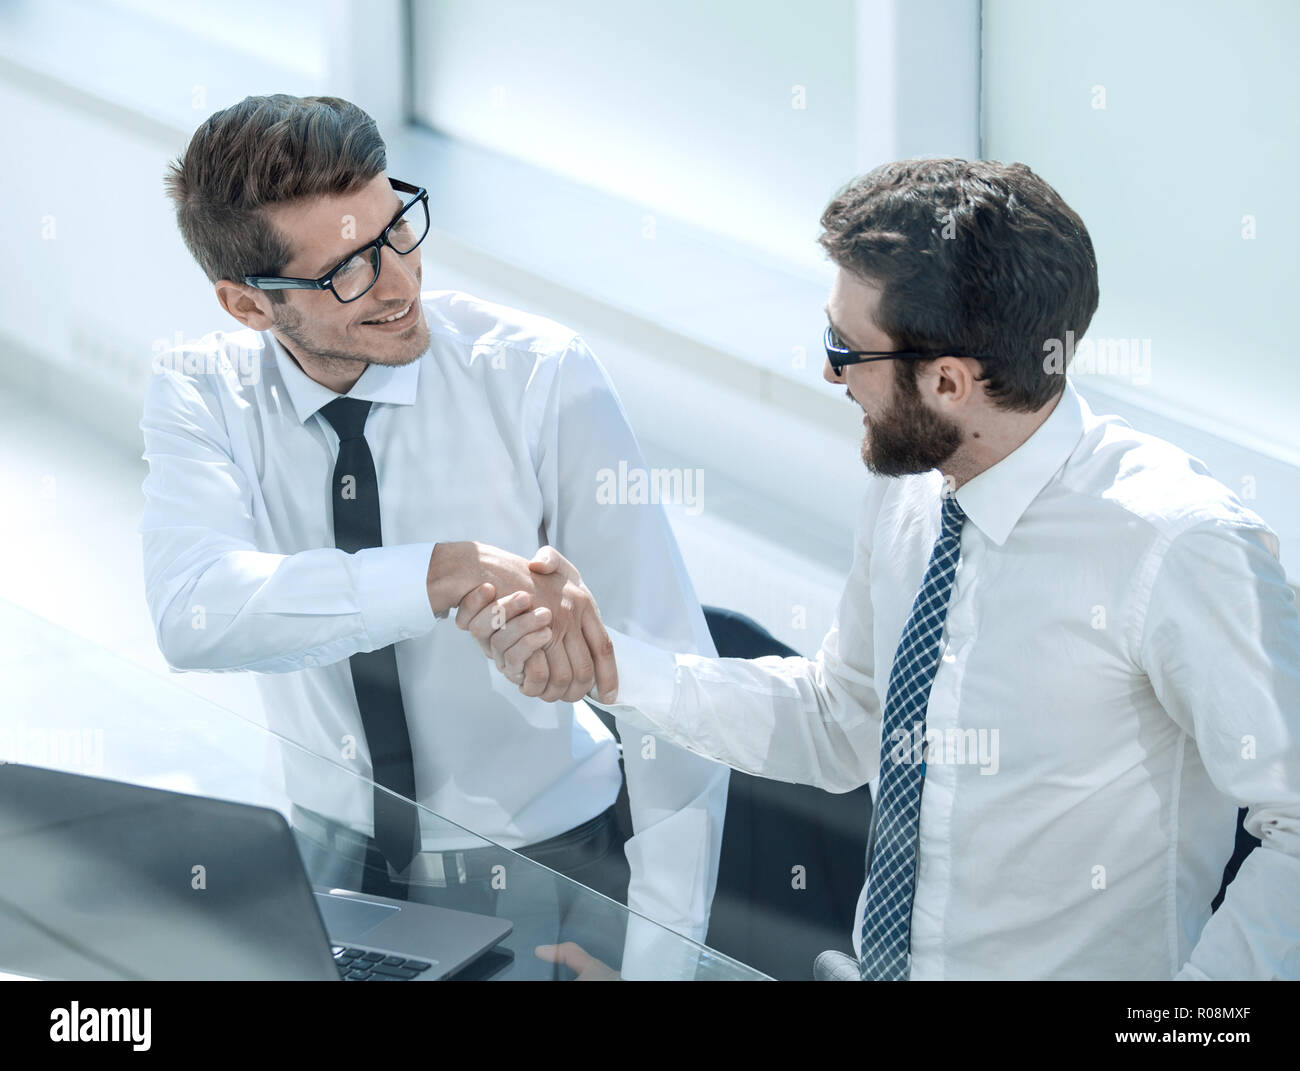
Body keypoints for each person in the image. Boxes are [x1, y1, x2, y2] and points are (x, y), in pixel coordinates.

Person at [461, 158, 1300, 980]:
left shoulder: (1180, 543)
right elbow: (840, 720)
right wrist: (607, 665)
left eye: (845, 345)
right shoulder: (913, 484)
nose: (827, 369)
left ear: (947, 379)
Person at [139, 94, 729, 980]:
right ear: (247, 305)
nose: (400, 282)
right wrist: (436, 574)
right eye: (347, 271)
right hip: (325, 862)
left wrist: (659, 967)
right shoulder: (200, 392)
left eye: (397, 230)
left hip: (551, 861)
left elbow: (679, 684)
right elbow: (194, 611)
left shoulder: (538, 374)